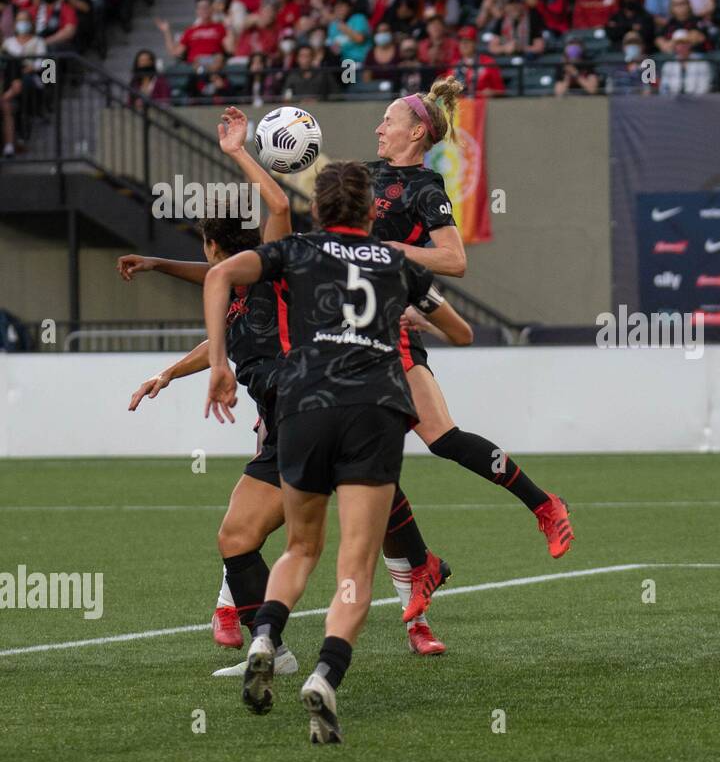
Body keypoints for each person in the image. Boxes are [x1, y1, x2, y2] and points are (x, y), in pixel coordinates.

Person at [118, 109, 463, 659]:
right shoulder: (236, 295)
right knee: (262, 532)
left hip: (304, 409)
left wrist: (237, 152)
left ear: (215, 249)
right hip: (293, 415)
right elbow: (218, 321)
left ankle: (363, 614)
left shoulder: (278, 269)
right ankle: (280, 643)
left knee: (319, 536)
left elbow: (276, 209)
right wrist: (170, 367)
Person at [201, 160, 448, 742]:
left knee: (300, 547)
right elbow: (458, 329)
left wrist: (216, 365)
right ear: (371, 212)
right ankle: (326, 675)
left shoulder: (297, 254)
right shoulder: (395, 262)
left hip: (303, 409)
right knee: (354, 563)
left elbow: (216, 275)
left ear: (317, 210)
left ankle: (264, 635)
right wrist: (409, 310)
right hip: (374, 411)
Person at [369, 78, 576, 555]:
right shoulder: (363, 174)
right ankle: (424, 565)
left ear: (416, 132)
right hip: (359, 327)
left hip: (387, 334)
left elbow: (454, 260)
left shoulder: (425, 189)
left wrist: (393, 250)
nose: (378, 127)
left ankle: (542, 505)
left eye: (388, 119)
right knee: (383, 453)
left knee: (431, 441)